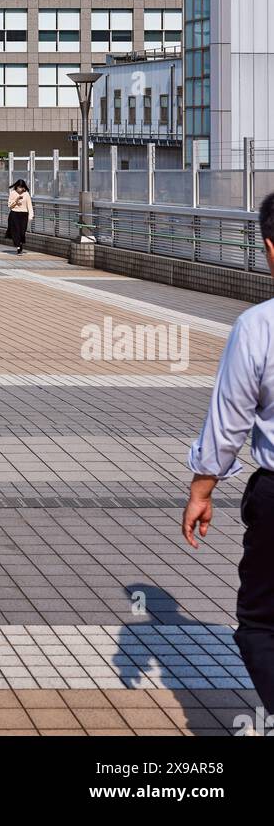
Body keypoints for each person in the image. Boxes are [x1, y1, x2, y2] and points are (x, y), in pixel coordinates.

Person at [183, 193, 274, 716]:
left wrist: (202, 488)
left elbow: (230, 417)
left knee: (262, 621)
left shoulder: (260, 326)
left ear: (268, 247)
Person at [6, 179, 33, 255]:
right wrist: (16, 201)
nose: (20, 189)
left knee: (22, 232)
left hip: (24, 214)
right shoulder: (12, 193)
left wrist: (31, 216)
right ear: (16, 187)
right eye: (19, 187)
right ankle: (18, 247)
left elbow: (29, 206)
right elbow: (9, 206)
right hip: (14, 214)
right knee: (16, 231)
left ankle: (20, 243)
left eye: (22, 187)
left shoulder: (26, 194)